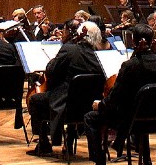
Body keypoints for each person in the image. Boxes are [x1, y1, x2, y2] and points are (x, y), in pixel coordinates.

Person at [81, 24, 156, 165]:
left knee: (90, 118)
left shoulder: (130, 66)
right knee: (140, 108)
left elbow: (116, 97)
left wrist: (100, 105)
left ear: (134, 41)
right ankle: (146, 162)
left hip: (131, 121)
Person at [28, 21, 104, 156]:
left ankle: (44, 143)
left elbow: (51, 71)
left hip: (65, 106)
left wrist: (52, 60)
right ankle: (69, 142)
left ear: (80, 33)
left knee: (34, 99)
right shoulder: (99, 56)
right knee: (74, 94)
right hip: (88, 107)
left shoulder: (69, 49)